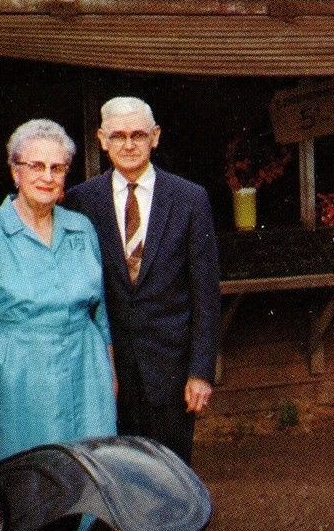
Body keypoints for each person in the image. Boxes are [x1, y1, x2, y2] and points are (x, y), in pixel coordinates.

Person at [66, 96, 221, 465]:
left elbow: (206, 294)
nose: (129, 144)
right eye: (118, 136)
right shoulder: (80, 202)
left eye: (138, 134)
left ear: (155, 137)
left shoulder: (189, 198)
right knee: (115, 468)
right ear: (102, 139)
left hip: (170, 367)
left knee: (171, 468)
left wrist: (200, 372)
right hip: (108, 366)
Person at [0, 119, 116, 465]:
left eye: (57, 168)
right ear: (15, 171)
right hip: (20, 374)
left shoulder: (81, 227)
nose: (47, 176)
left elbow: (101, 314)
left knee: (93, 468)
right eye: (36, 166)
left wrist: (110, 376)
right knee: (27, 472)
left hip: (87, 368)